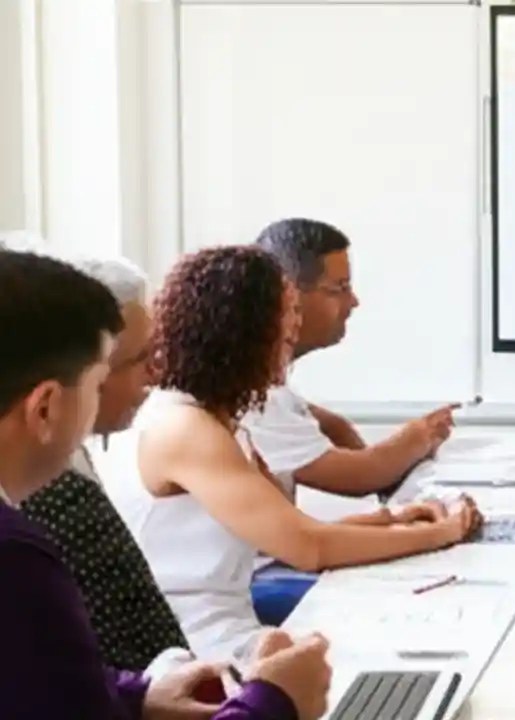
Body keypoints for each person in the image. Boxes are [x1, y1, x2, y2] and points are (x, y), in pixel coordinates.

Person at [108, 245, 484, 663]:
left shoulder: (220, 417)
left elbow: (280, 537)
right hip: (198, 648)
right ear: (246, 334)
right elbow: (306, 547)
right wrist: (442, 534)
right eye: (285, 318)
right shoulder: (184, 427)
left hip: (227, 631)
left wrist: (392, 520)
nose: (294, 328)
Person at [0, 249, 331, 719]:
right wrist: (274, 701)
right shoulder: (15, 557)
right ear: (46, 408)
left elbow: (49, 687)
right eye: (96, 385)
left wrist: (137, 697)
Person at [243, 218, 457, 625]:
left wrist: (394, 519)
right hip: (252, 588)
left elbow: (301, 531)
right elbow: (359, 478)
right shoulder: (251, 402)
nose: (354, 302)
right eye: (338, 289)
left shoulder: (271, 394)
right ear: (287, 299)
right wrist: (419, 437)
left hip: (268, 566)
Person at [18, 255, 189, 672]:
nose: (154, 374)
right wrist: (269, 697)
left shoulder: (65, 459)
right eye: (138, 359)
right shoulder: (52, 488)